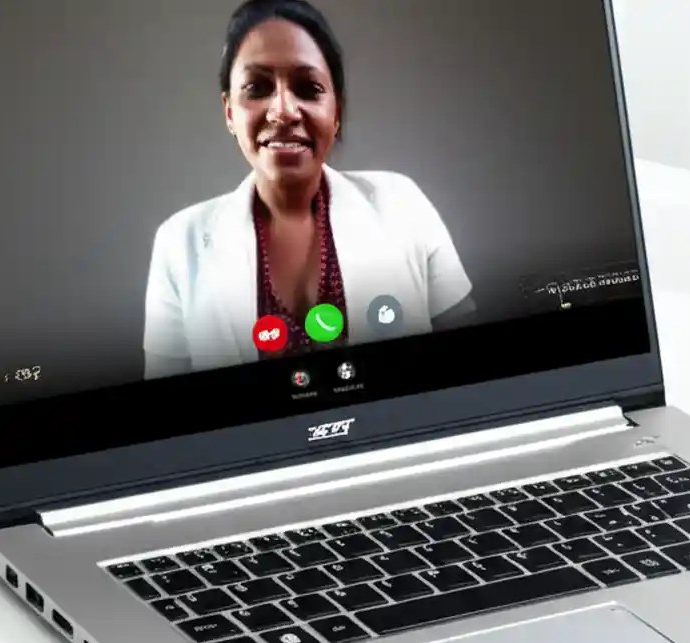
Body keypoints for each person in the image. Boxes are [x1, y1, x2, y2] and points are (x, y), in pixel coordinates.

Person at [143, 0, 475, 380]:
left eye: (308, 87)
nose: (283, 111)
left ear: (336, 113)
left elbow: (469, 359)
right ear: (230, 112)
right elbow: (167, 407)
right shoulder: (178, 243)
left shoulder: (404, 205)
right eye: (257, 87)